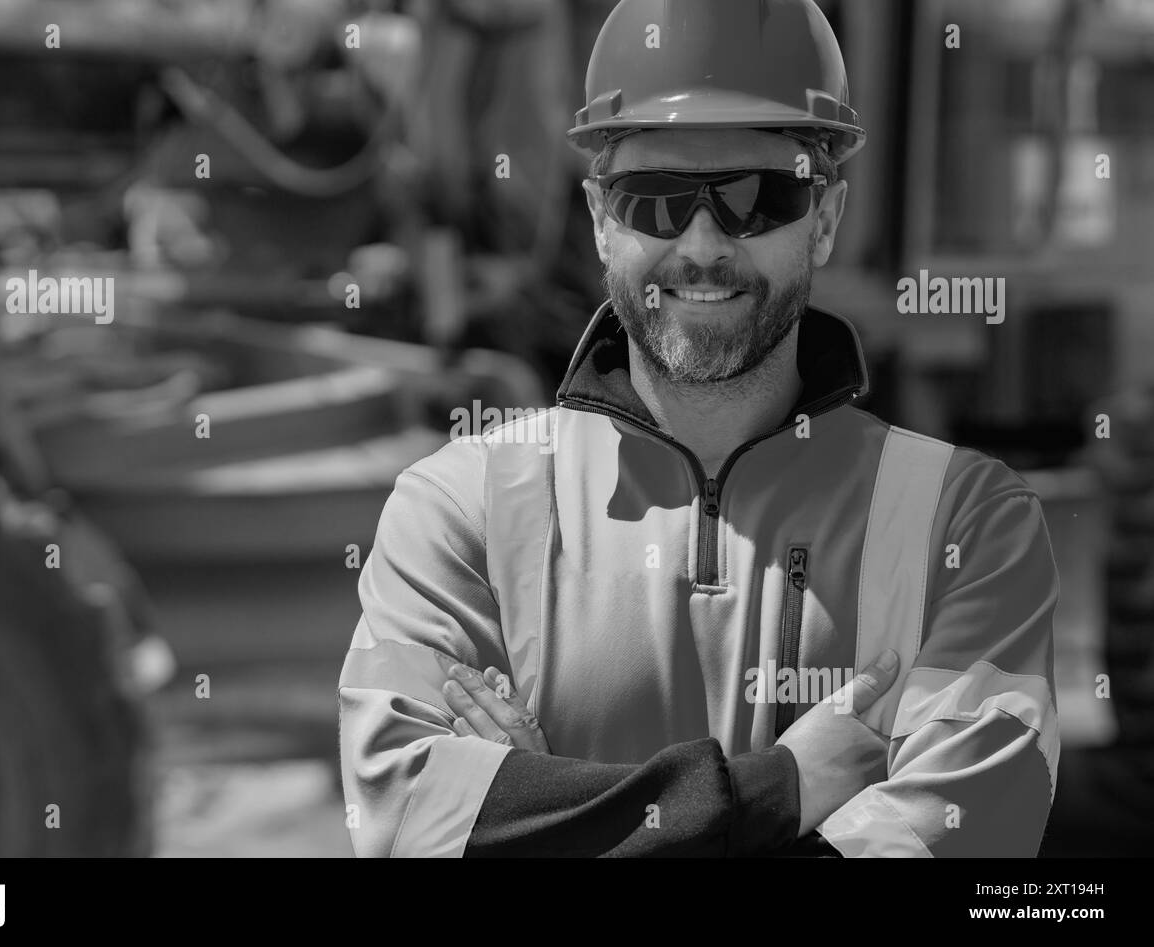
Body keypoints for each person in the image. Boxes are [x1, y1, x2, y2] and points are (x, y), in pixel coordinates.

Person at [338, 0, 1060, 857]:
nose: (706, 242)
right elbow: (406, 823)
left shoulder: (967, 524)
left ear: (825, 216)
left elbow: (963, 843)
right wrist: (782, 788)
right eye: (655, 201)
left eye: (760, 197)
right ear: (603, 219)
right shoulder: (457, 510)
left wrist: (552, 823)